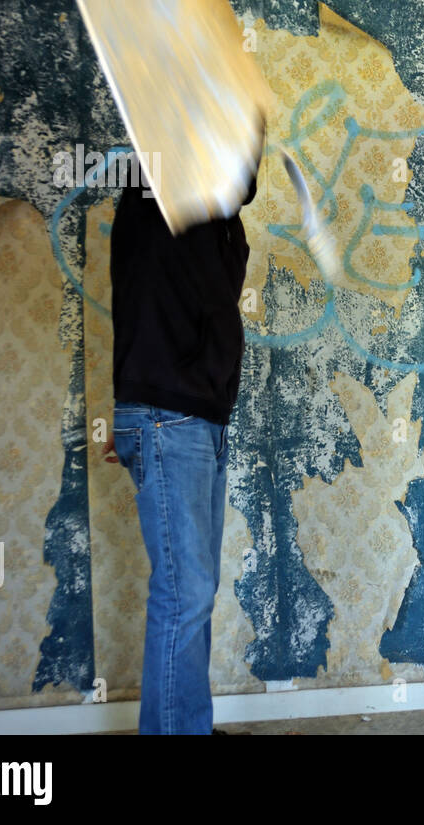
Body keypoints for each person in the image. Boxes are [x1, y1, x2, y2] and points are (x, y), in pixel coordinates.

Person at [101, 151, 258, 734]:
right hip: (169, 417)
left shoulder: (220, 221)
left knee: (194, 593)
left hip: (199, 418)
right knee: (184, 593)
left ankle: (186, 724)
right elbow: (147, 300)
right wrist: (138, 411)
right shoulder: (161, 192)